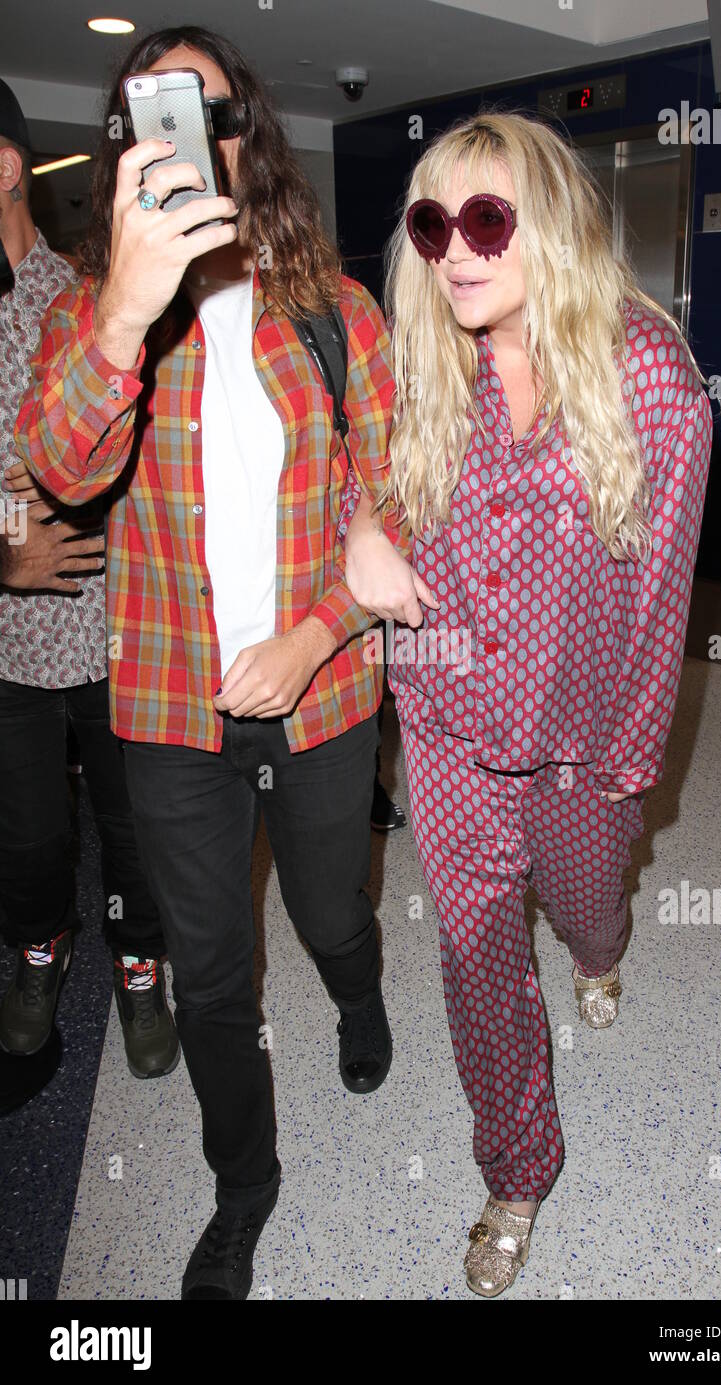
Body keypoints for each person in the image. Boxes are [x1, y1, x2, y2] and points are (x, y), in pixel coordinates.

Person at [15, 27, 412, 1300]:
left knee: (328, 909)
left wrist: (313, 633)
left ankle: (359, 998)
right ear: (125, 150)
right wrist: (128, 307)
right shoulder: (91, 316)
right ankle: (246, 1186)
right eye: (152, 115)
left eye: (213, 110)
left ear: (252, 134)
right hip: (172, 714)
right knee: (211, 974)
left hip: (327, 687)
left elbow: (395, 511)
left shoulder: (340, 314)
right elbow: (65, 470)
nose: (192, 137)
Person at [344, 112, 713, 1296]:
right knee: (473, 954)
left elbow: (660, 603)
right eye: (433, 223)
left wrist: (626, 759)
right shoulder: (420, 362)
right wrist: (358, 530)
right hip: (448, 720)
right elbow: (361, 484)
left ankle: (601, 954)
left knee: (586, 899)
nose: (456, 250)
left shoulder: (649, 375)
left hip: (579, 737)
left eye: (488, 219)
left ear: (547, 226)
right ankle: (516, 1169)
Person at [0, 78, 177, 1082]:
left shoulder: (81, 300)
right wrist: (4, 551)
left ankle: (140, 965)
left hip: (112, 628)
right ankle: (38, 953)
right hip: (7, 642)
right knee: (25, 834)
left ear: (10, 164)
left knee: (131, 822)